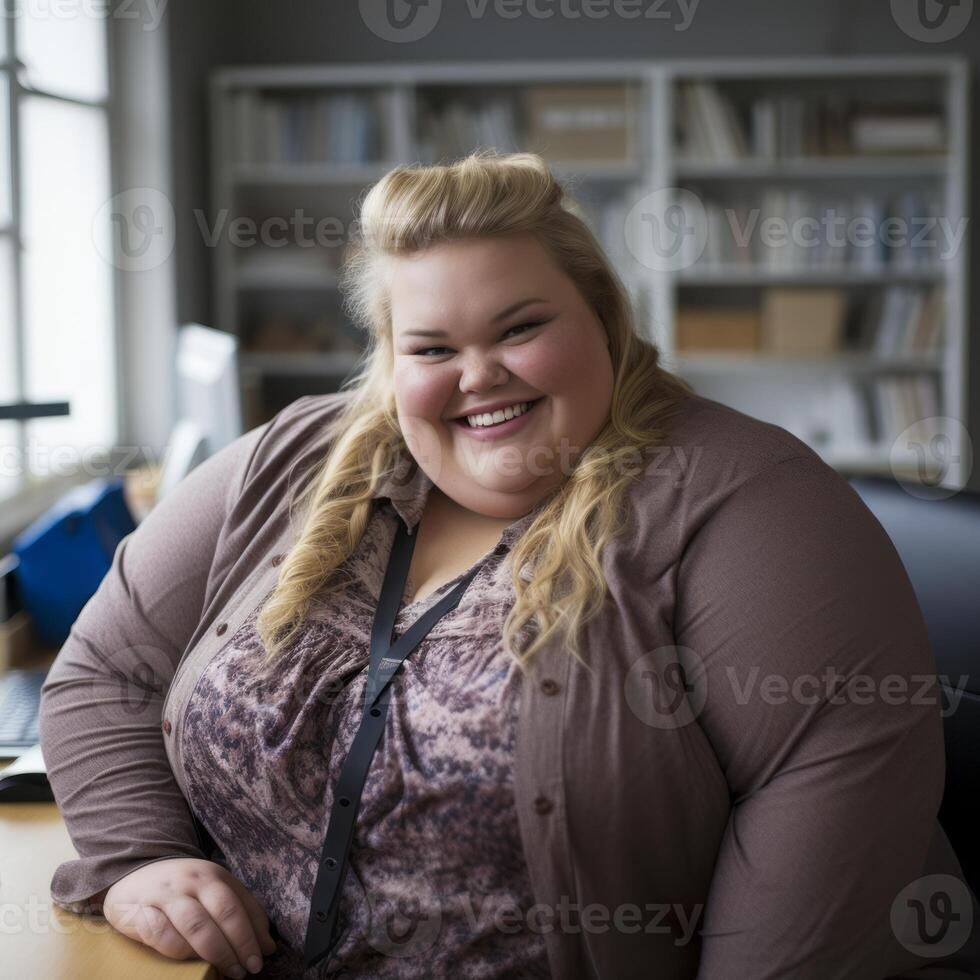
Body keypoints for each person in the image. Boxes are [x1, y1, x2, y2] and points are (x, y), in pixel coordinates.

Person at [39, 150, 979, 979]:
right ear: (390, 361)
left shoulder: (752, 500)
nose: (478, 374)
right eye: (433, 348)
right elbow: (103, 674)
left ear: (603, 317)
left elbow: (830, 801)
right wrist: (139, 861)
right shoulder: (292, 456)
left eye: (520, 328)